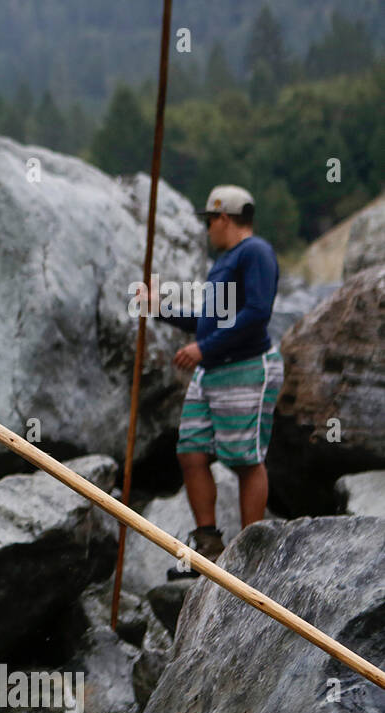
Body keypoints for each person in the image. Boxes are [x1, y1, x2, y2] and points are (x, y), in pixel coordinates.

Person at [145, 184, 283, 578]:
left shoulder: (255, 253)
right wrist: (160, 310)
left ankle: (250, 556)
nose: (208, 230)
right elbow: (209, 319)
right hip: (212, 371)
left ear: (224, 218)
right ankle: (209, 545)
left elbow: (257, 312)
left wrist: (203, 350)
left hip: (246, 366)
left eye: (209, 222)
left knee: (244, 459)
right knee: (191, 451)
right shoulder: (225, 261)